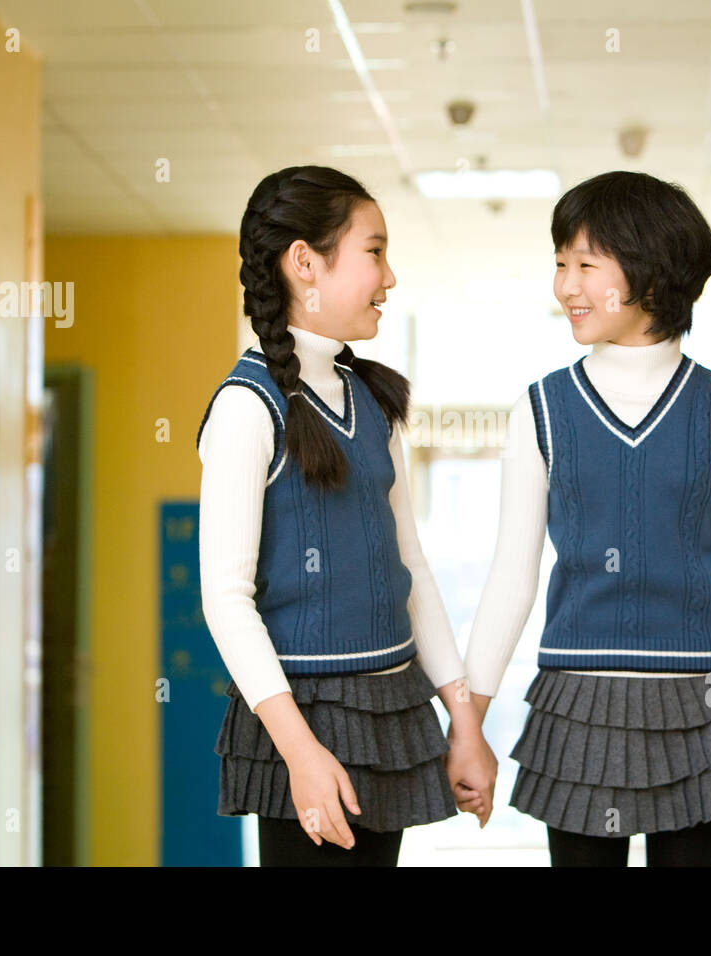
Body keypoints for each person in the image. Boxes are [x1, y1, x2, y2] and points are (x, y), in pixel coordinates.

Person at [463, 170, 711, 867]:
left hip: (702, 710)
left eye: (585, 263)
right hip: (576, 709)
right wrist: (470, 719)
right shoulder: (541, 410)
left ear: (648, 273)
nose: (565, 285)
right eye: (560, 263)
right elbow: (510, 581)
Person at [197, 165, 496, 866]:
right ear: (305, 262)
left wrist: (464, 722)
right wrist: (299, 752)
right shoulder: (248, 407)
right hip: (300, 722)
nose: (389, 277)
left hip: (389, 708)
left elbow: (409, 568)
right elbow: (224, 599)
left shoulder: (374, 401)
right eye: (374, 252)